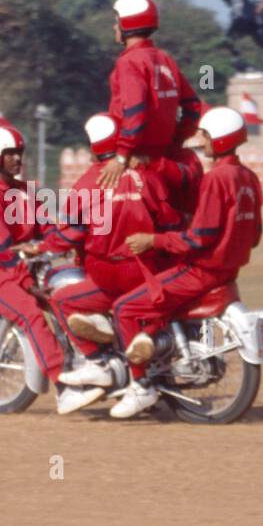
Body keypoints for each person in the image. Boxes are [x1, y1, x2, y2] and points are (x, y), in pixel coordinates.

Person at [106, 106, 263, 419]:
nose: (201, 139)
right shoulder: (248, 178)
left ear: (221, 140)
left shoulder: (216, 179)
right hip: (228, 271)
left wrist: (154, 241)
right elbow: (255, 234)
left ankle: (140, 387)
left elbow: (199, 238)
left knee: (125, 308)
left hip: (200, 271)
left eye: (206, 135)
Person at [0, 126, 105, 415]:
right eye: (9, 154)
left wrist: (63, 241)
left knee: (68, 297)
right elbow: (2, 251)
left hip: (28, 268)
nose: (17, 158)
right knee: (30, 313)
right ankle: (63, 388)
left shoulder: (28, 191)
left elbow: (47, 227)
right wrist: (28, 284)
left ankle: (92, 363)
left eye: (19, 152)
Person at [41, 114, 181, 388]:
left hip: (110, 276)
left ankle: (98, 362)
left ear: (93, 146)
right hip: (149, 270)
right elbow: (170, 222)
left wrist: (42, 246)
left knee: (60, 300)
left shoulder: (86, 184)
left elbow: (72, 234)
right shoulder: (146, 176)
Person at [100, 0, 205, 218]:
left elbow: (135, 113)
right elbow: (193, 105)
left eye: (116, 21)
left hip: (134, 161)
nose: (113, 27)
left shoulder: (129, 62)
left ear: (127, 24)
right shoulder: (164, 59)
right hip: (162, 163)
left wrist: (122, 156)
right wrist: (174, 142)